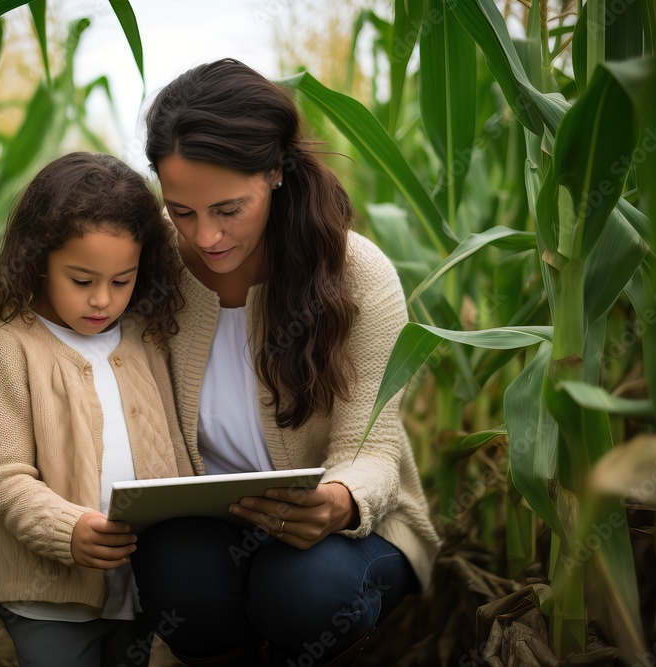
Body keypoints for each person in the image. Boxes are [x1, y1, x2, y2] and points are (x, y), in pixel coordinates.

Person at [129, 59, 441, 666]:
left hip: (349, 532)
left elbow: (370, 450)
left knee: (306, 592)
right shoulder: (151, 266)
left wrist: (342, 500)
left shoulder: (358, 275)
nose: (206, 237)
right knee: (175, 580)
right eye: (181, 211)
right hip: (211, 525)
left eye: (228, 209)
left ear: (274, 171)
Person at [0, 151, 193, 667]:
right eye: (81, 279)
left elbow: (175, 449)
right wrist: (68, 530)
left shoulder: (145, 340)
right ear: (38, 258)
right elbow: (3, 477)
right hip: (47, 597)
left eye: (122, 281)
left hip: (136, 587)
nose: (102, 301)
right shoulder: (13, 347)